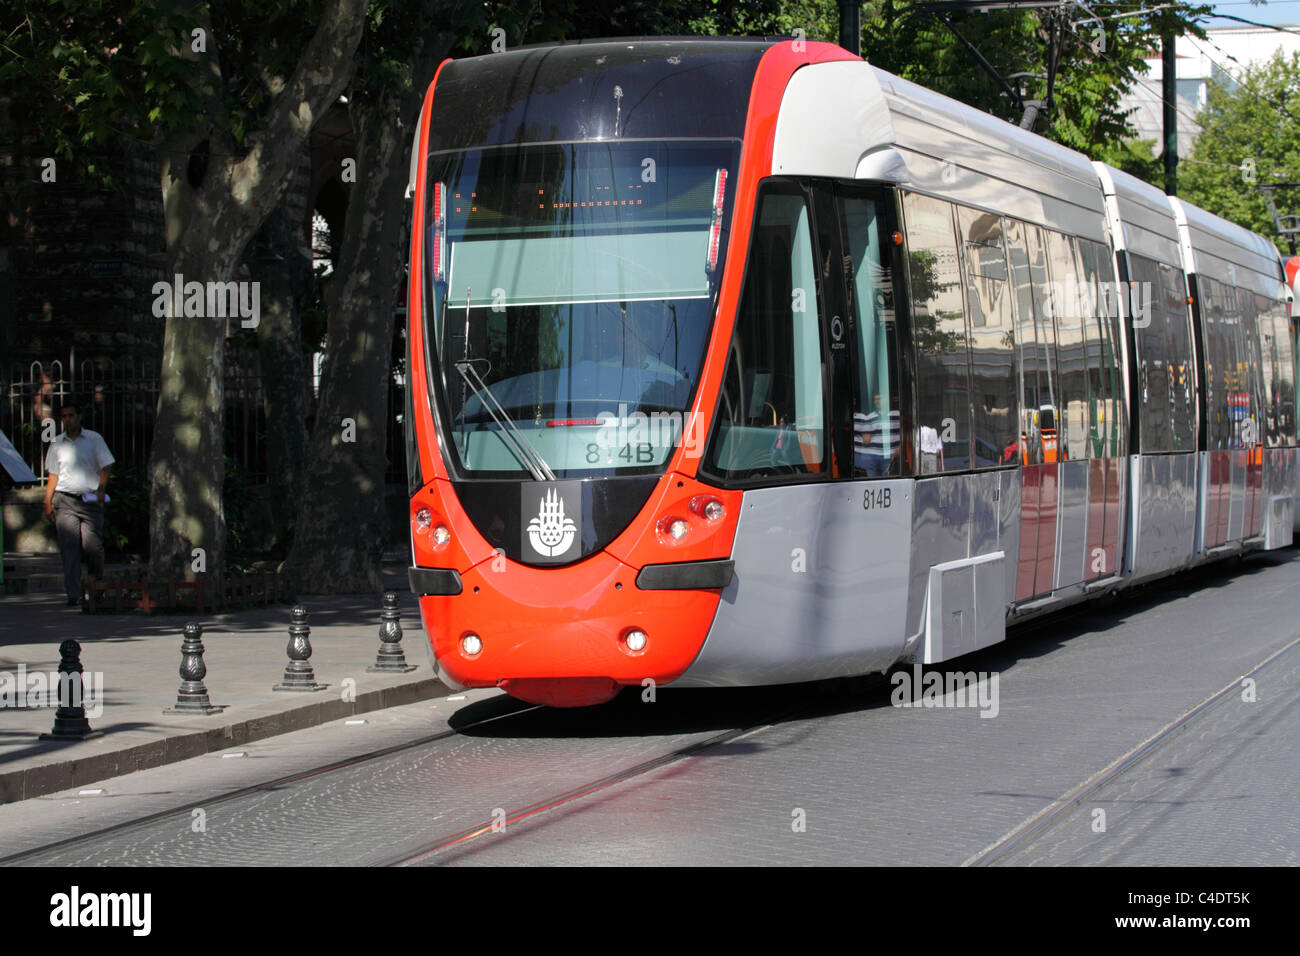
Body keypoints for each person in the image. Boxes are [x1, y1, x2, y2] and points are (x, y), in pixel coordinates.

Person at [43, 400, 114, 606]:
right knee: (69, 548)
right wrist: (47, 502)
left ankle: (96, 588)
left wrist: (101, 489)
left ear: (79, 416)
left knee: (92, 546)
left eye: (71, 415)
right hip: (65, 499)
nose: (68, 420)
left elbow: (106, 465)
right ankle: (73, 593)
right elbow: (53, 475)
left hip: (89, 499)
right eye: (64, 417)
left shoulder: (93, 439)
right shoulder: (57, 443)